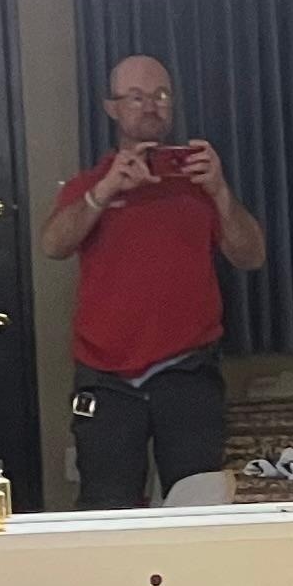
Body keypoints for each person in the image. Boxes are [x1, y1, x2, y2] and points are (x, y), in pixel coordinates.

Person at [40, 53, 266, 507]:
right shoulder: (90, 184)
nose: (150, 106)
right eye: (135, 96)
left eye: (160, 95)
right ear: (112, 108)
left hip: (187, 370)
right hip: (105, 376)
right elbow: (53, 245)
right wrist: (105, 192)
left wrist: (220, 191)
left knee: (197, 506)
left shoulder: (199, 182)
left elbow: (251, 256)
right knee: (107, 507)